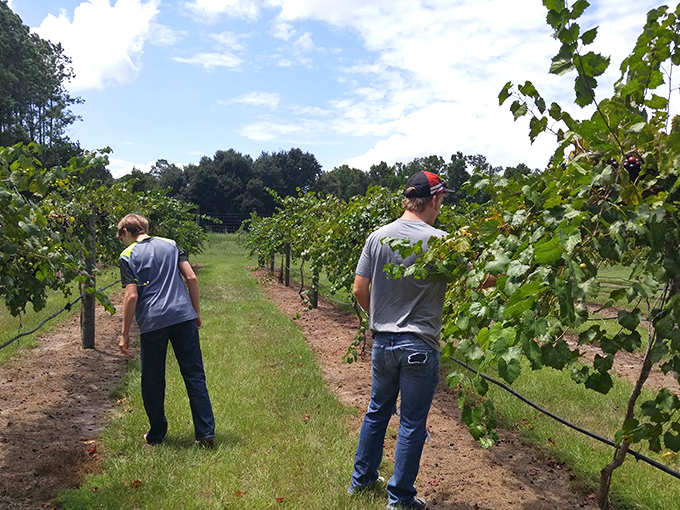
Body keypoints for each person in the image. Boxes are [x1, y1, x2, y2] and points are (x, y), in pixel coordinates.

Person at [348, 170, 454, 510]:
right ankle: (400, 500)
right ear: (434, 199)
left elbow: (358, 289)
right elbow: (482, 278)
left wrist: (380, 319)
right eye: (442, 201)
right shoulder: (441, 242)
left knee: (376, 412)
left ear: (407, 199)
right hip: (420, 347)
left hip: (382, 343)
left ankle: (361, 481)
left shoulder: (377, 237)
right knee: (411, 423)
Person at [116, 213, 216, 446]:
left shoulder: (127, 255)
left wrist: (124, 333)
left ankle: (157, 434)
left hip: (153, 322)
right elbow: (191, 278)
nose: (122, 241)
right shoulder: (171, 245)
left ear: (127, 232)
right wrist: (196, 313)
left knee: (152, 379)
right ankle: (206, 432)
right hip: (183, 317)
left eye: (121, 236)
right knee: (194, 374)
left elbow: (131, 296)